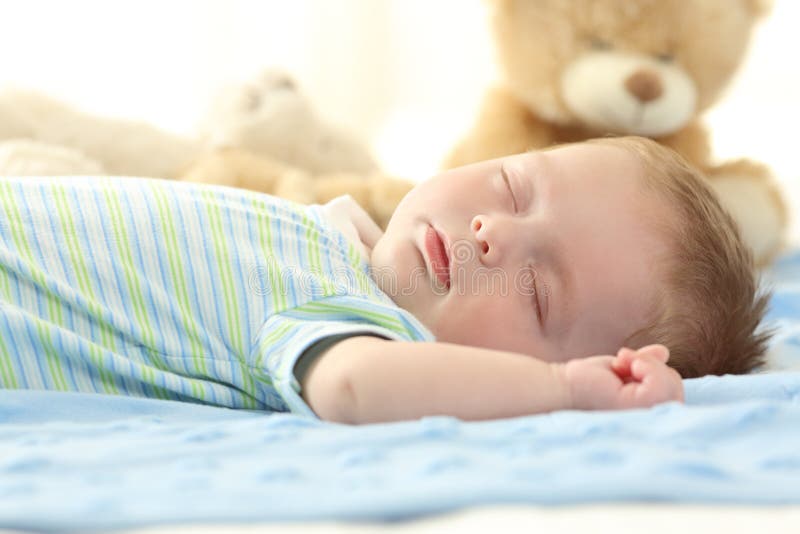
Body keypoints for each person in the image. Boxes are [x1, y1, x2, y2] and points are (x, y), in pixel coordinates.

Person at [0, 136, 772, 424]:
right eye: (510, 187)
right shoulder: (345, 248)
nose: (492, 233)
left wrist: (569, 390)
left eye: (539, 294)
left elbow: (357, 389)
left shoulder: (351, 320)